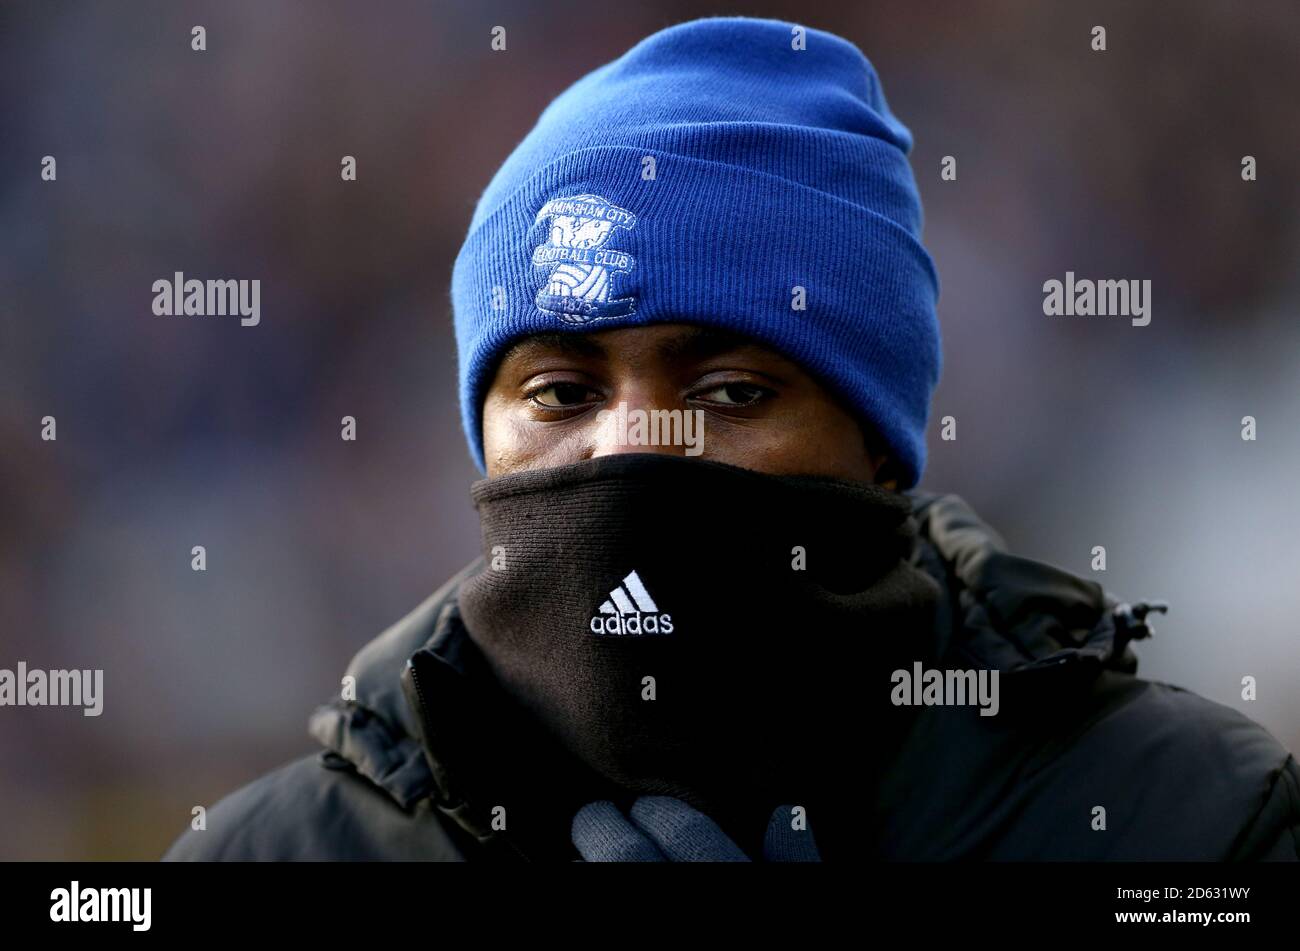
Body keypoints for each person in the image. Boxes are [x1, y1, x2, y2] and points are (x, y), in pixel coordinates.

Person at [163, 17, 1299, 862]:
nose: (630, 448)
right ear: (482, 437)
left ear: (878, 446)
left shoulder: (1190, 824)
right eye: (560, 392)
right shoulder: (273, 855)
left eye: (731, 390)